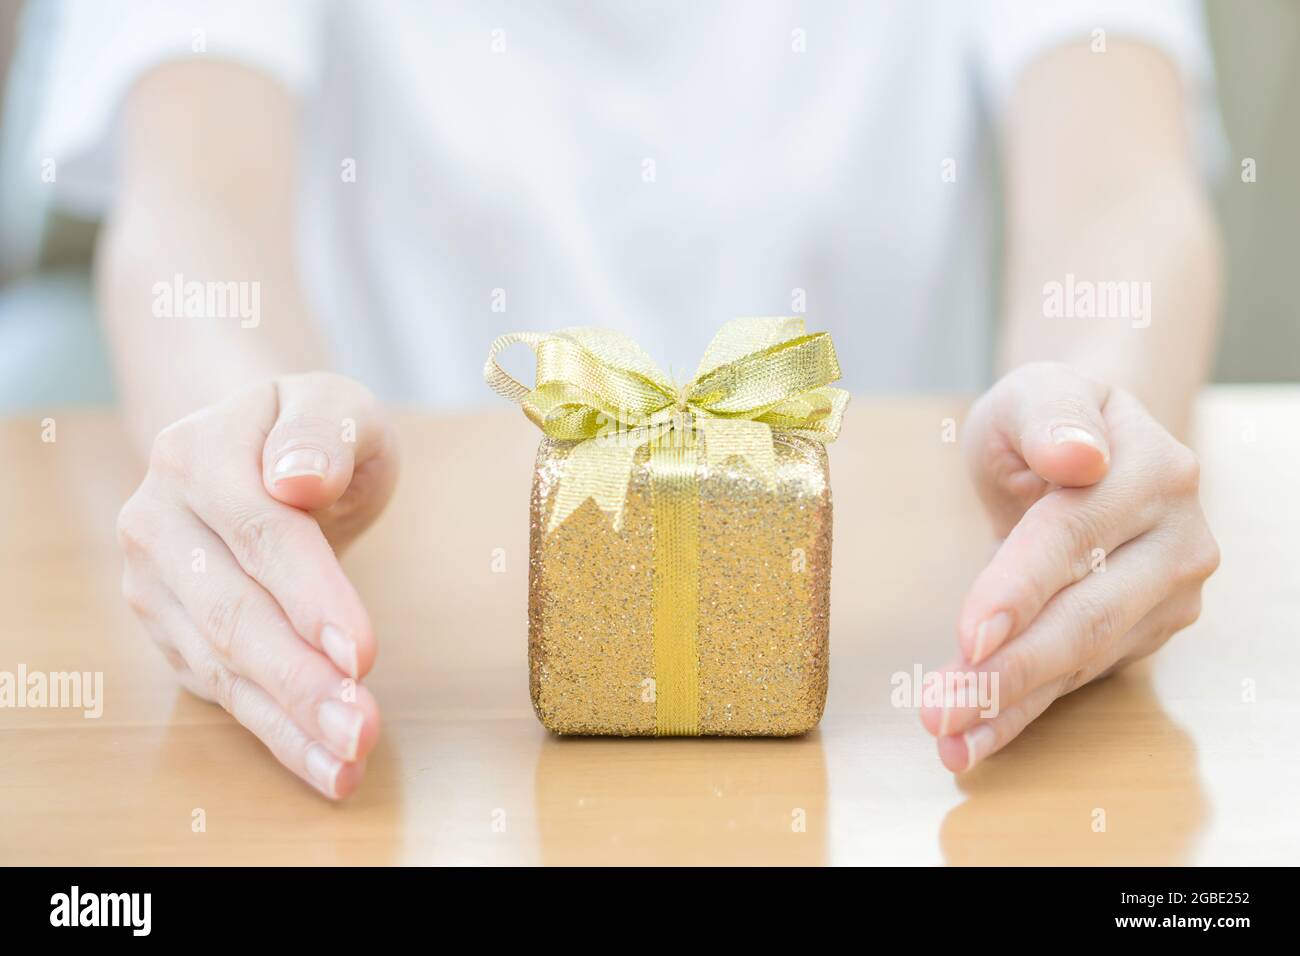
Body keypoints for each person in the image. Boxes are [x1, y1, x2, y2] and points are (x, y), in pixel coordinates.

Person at [40, 0, 1222, 798]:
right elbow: (192, 212)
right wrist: (253, 442)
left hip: (881, 757)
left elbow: (1120, 196)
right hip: (430, 718)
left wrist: (1092, 422)